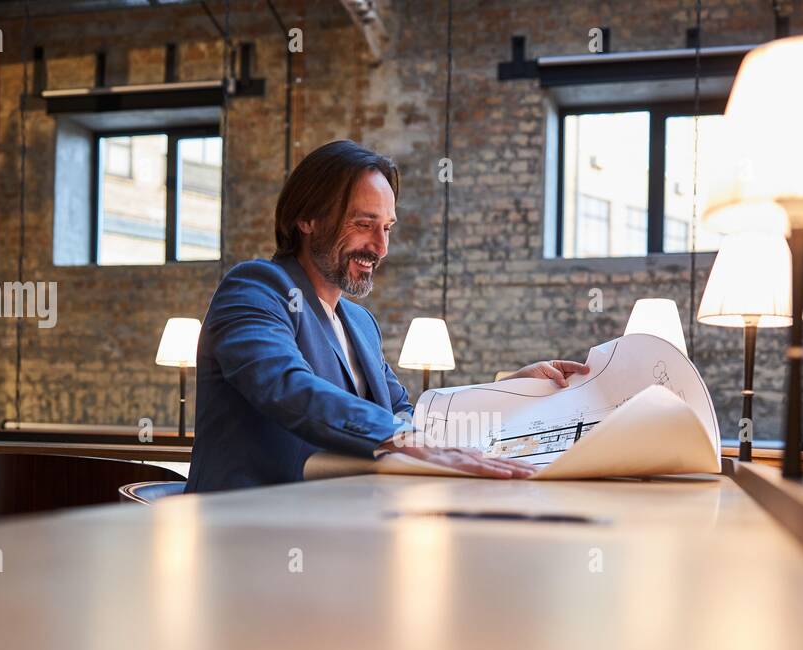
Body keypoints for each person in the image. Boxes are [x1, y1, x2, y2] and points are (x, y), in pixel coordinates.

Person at [186, 140, 589, 493]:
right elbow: (287, 387)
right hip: (244, 528)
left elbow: (406, 415)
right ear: (306, 219)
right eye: (363, 224)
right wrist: (407, 439)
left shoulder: (360, 323)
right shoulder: (255, 288)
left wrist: (509, 389)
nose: (380, 247)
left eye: (388, 228)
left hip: (341, 525)